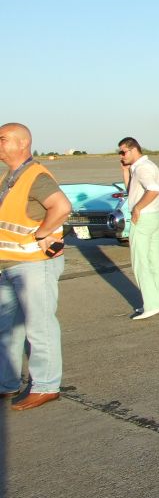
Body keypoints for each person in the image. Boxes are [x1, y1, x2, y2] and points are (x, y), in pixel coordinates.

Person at [0, 122, 71, 410]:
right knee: (8, 329)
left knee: (39, 326)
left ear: (22, 143)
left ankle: (46, 386)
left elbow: (62, 206)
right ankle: (7, 383)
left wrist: (43, 234)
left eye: (2, 139)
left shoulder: (35, 176)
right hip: (9, 265)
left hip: (33, 264)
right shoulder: (11, 177)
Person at [118, 137, 159, 320]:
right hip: (154, 216)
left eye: (123, 152)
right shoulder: (143, 167)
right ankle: (154, 302)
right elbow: (133, 191)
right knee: (153, 261)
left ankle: (152, 304)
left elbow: (153, 189)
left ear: (133, 149)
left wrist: (137, 208)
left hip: (144, 218)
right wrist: (126, 172)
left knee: (141, 262)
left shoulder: (143, 168)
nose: (121, 156)